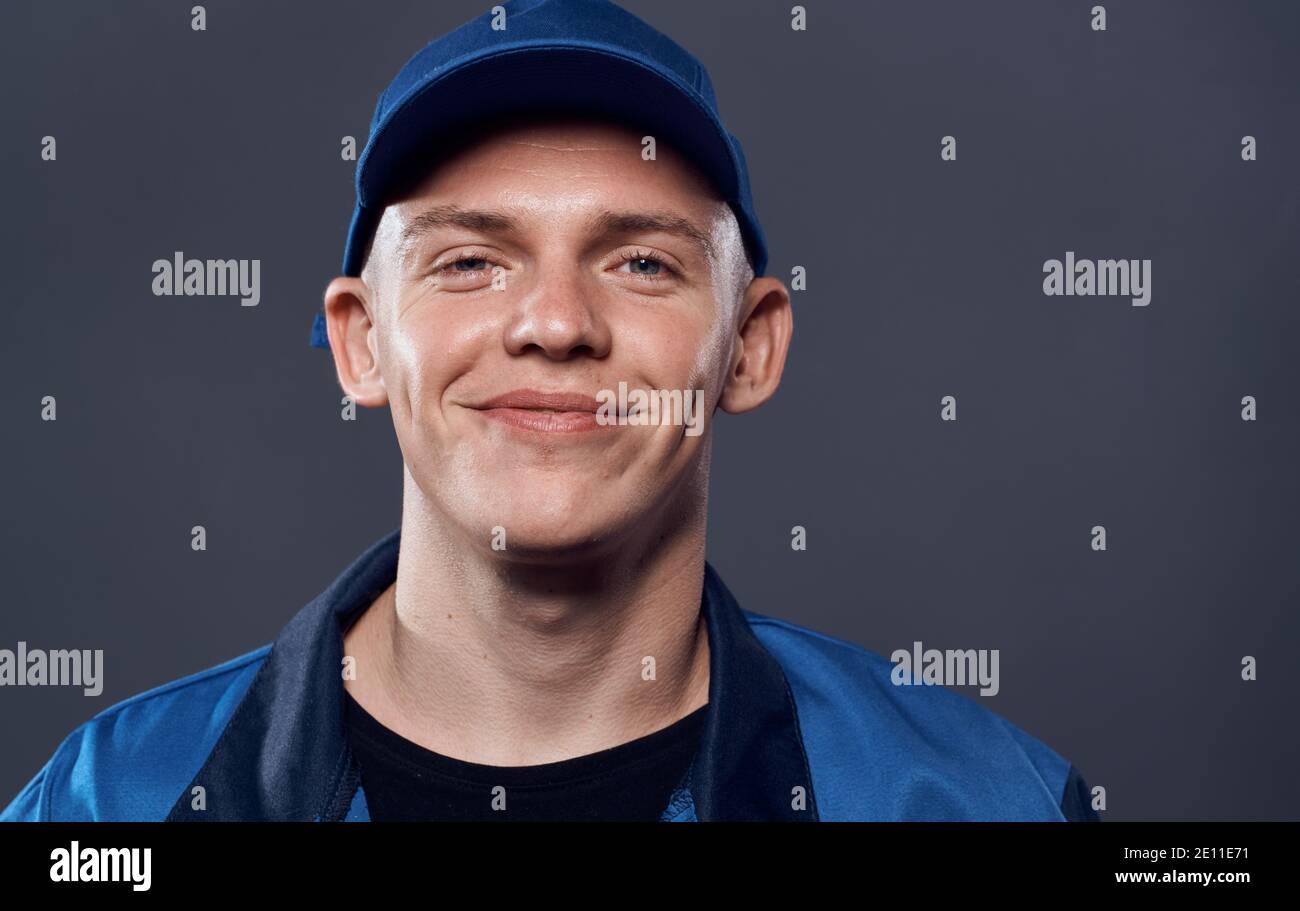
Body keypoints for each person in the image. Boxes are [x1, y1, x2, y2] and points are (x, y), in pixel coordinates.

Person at [0, 0, 1098, 822]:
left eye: (641, 261)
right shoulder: (109, 806)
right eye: (472, 259)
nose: (555, 322)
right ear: (362, 340)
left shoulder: (978, 798)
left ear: (749, 346)